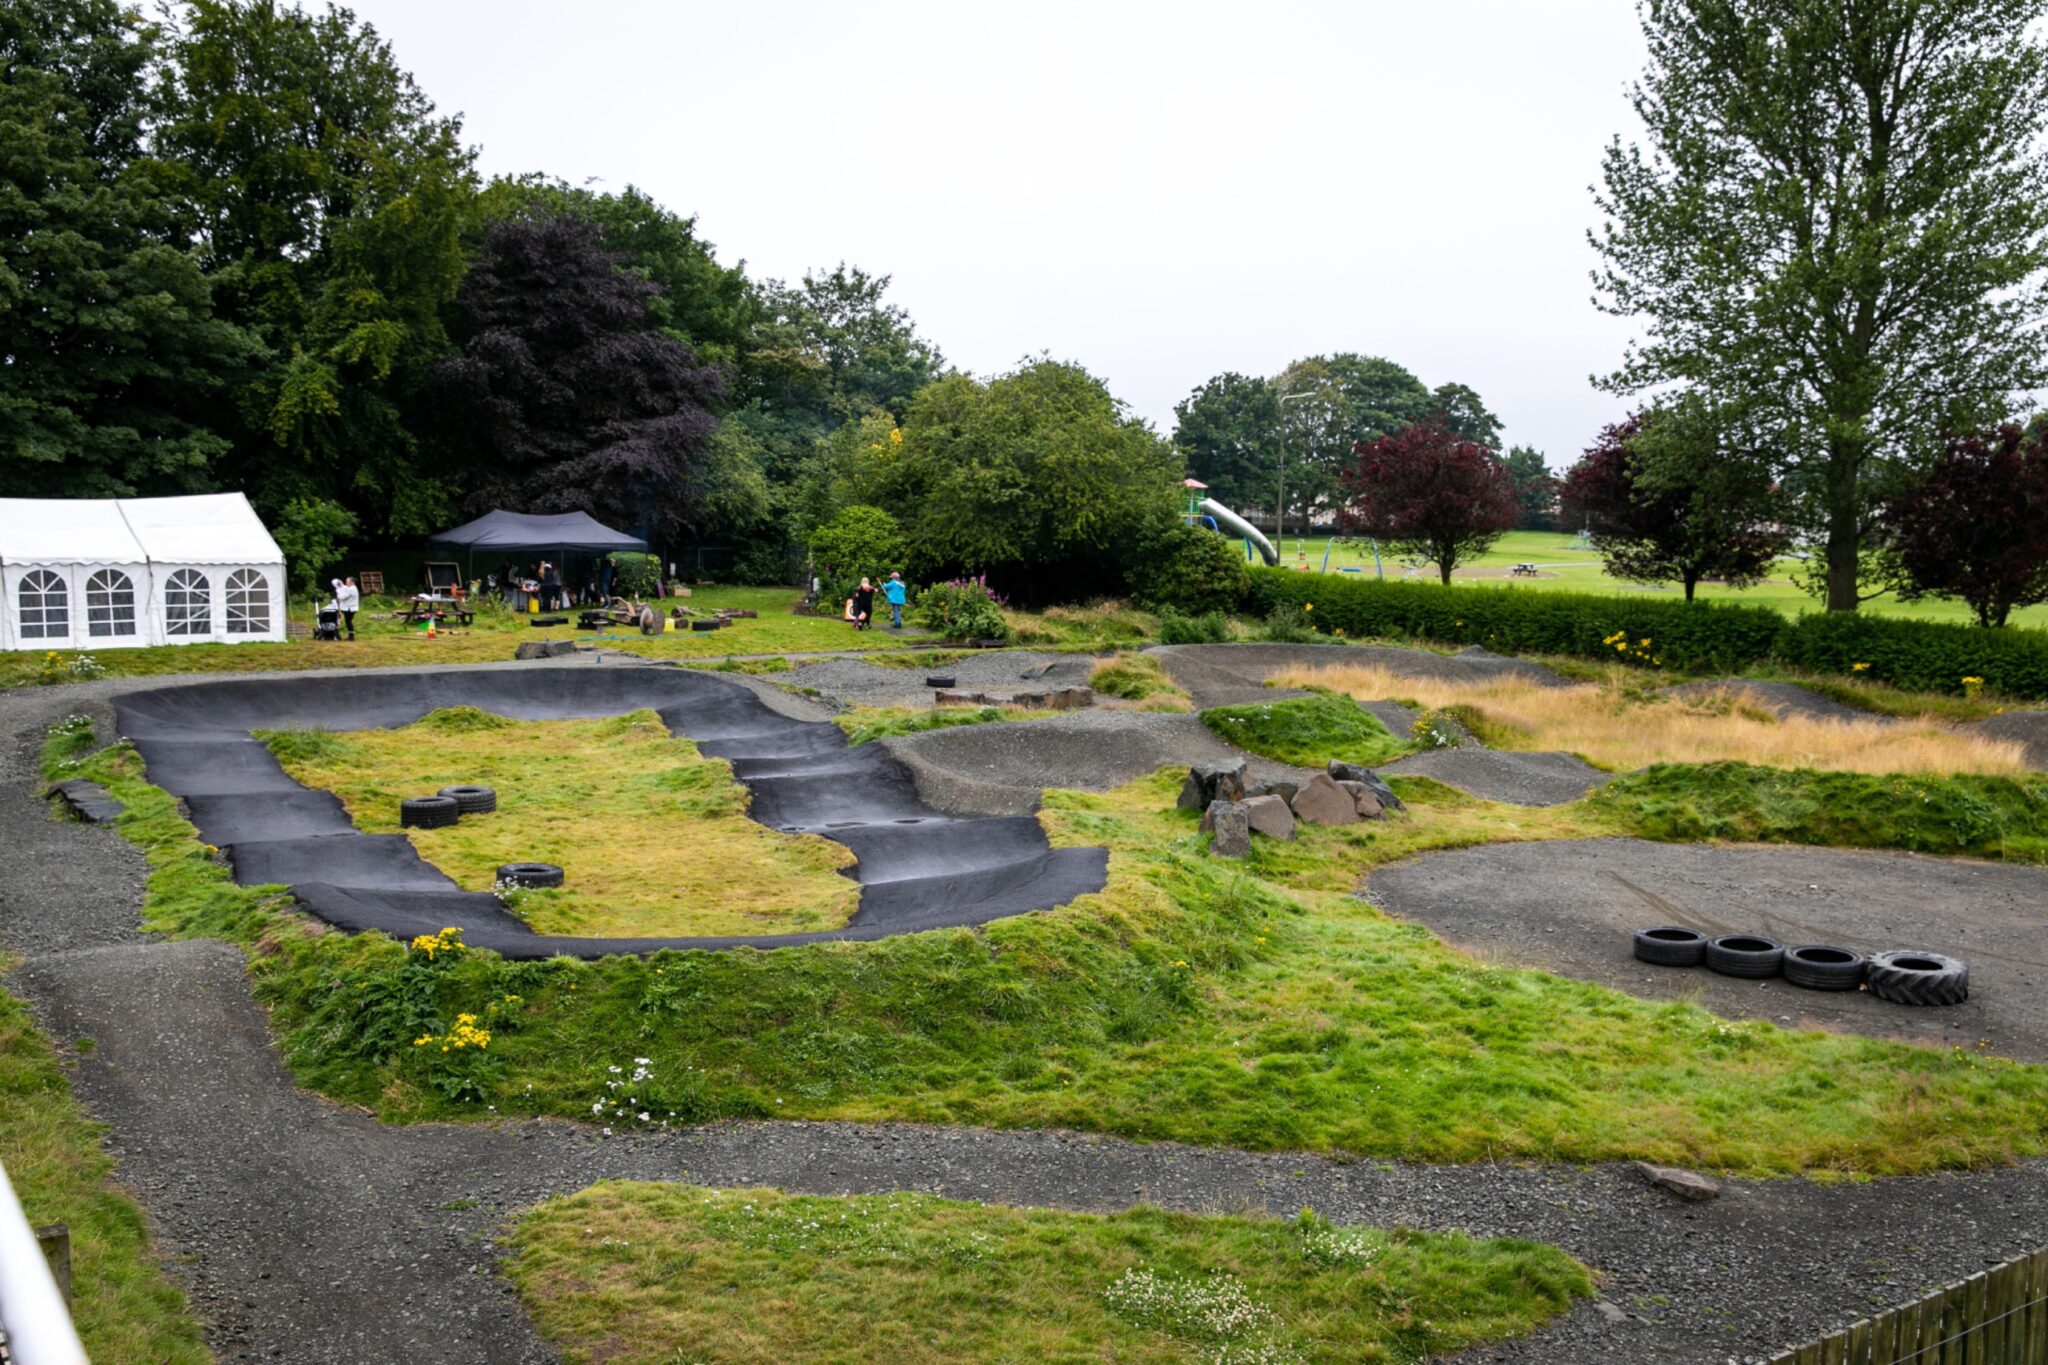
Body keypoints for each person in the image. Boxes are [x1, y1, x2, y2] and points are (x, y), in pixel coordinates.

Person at [336, 575, 360, 640]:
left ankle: (351, 636)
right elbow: (344, 587)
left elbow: (343, 597)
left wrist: (338, 595)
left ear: (351, 582)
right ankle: (350, 636)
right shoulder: (352, 587)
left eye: (347, 581)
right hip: (350, 608)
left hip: (350, 609)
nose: (346, 582)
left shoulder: (351, 589)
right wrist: (340, 585)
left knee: (348, 622)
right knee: (348, 621)